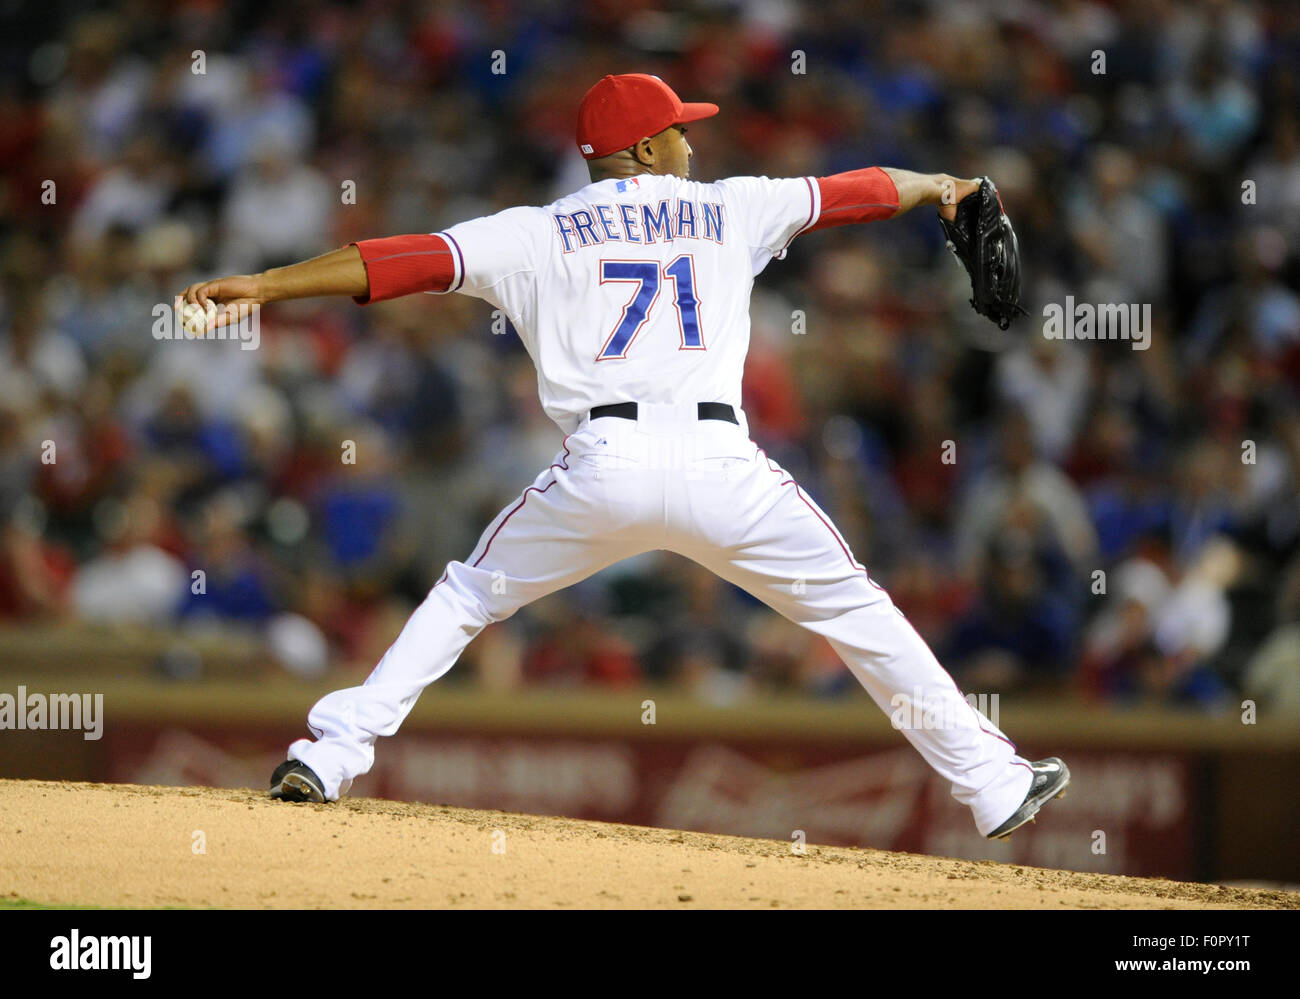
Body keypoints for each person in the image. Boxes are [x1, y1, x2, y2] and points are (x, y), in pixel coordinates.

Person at [180, 73, 1069, 841]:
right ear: (642, 150)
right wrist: (945, 185)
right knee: (858, 610)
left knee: (466, 595)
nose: (690, 140)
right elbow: (858, 190)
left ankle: (329, 757)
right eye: (679, 129)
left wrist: (265, 284)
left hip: (604, 462)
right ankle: (992, 784)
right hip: (725, 463)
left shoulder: (536, 231)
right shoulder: (730, 206)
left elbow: (400, 262)